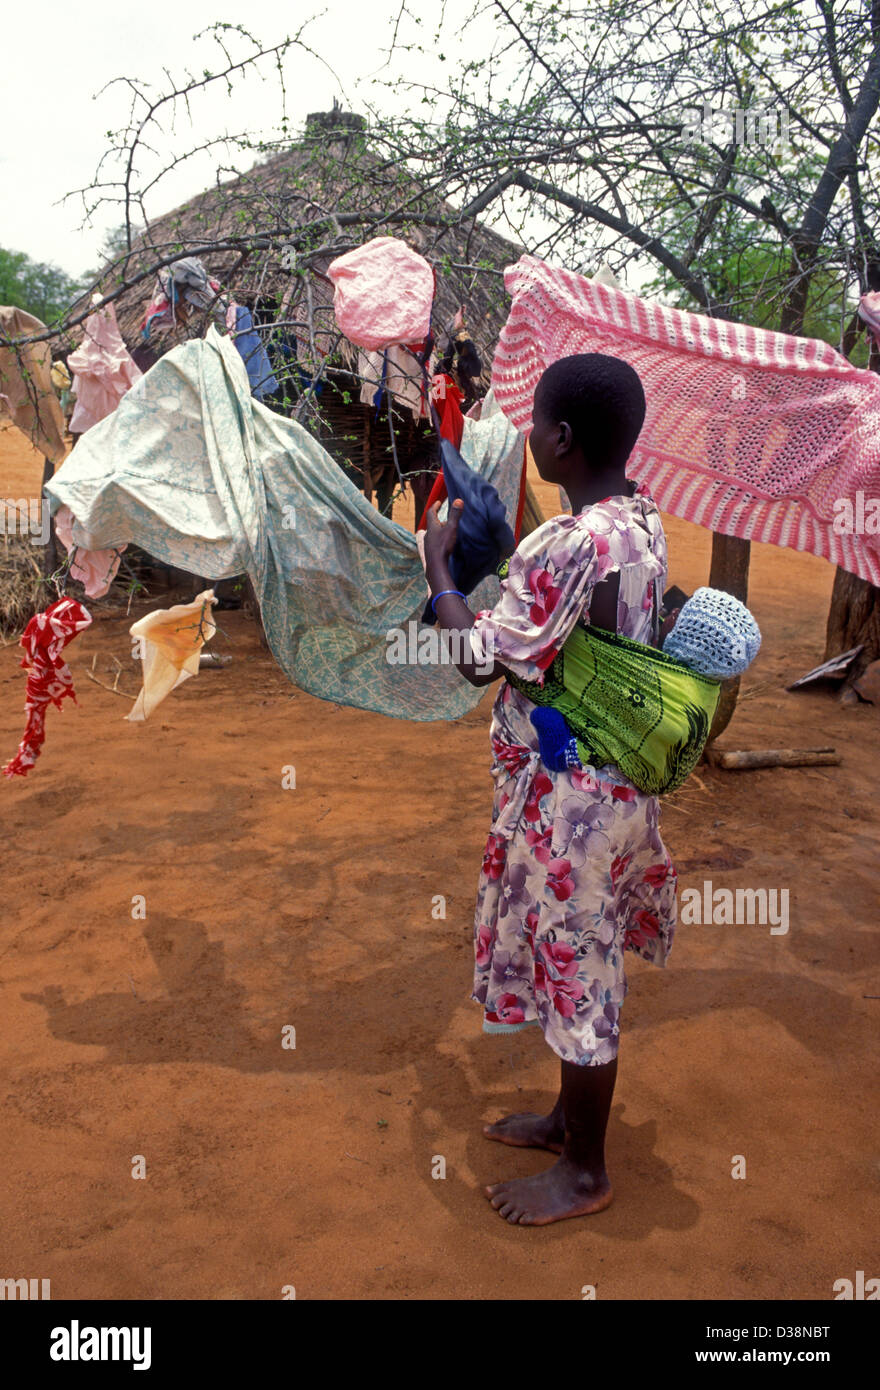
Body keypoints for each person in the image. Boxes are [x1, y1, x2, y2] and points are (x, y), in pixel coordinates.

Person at [423, 352, 677, 1225]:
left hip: (574, 801)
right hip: (613, 783)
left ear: (561, 439)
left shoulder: (568, 543)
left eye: (534, 421)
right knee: (579, 950)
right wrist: (506, 561)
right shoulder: (641, 521)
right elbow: (566, 630)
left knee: (579, 969)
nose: (527, 434)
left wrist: (439, 572)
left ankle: (586, 1174)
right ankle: (568, 1122)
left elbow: (475, 661)